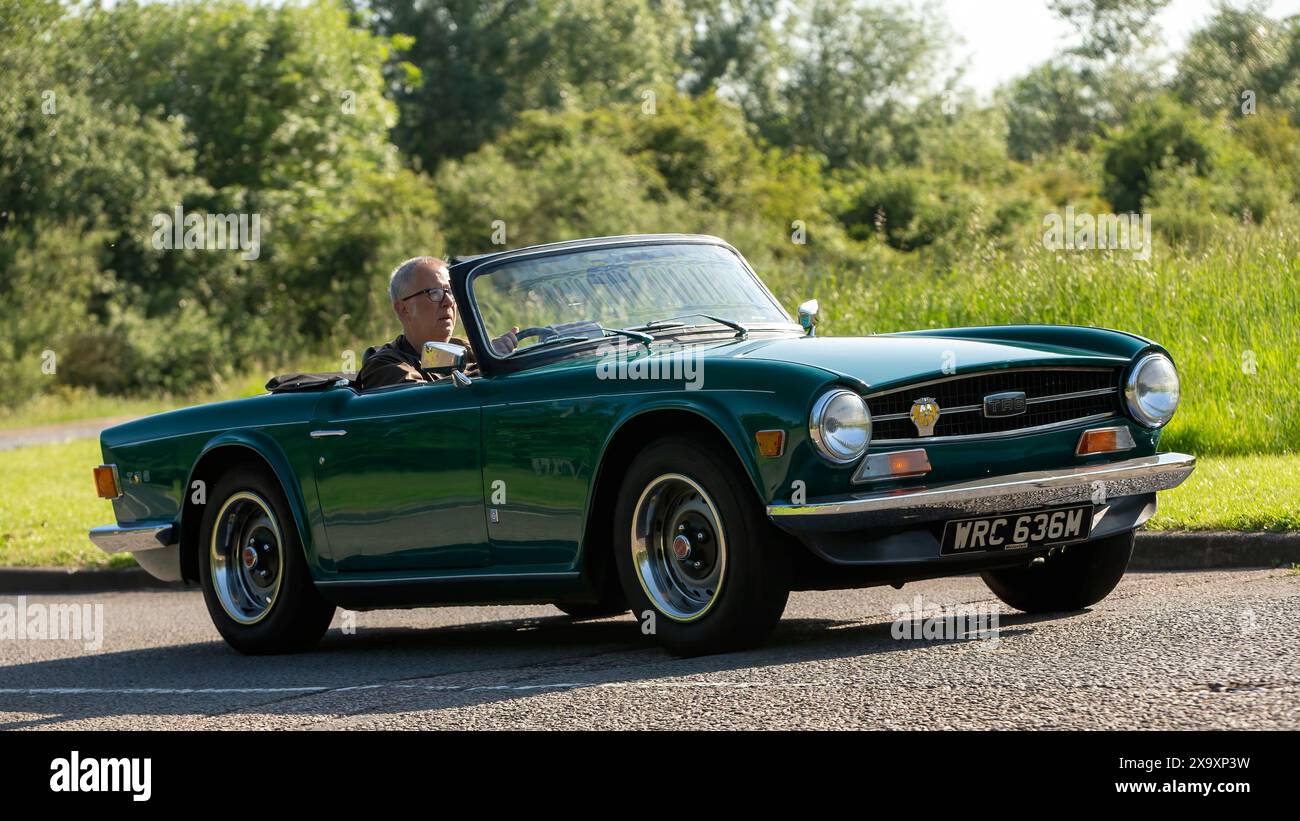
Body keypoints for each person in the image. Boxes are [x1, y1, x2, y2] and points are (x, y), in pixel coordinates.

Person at [356, 256, 518, 390]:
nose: (448, 301)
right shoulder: (384, 365)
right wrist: (486, 365)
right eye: (434, 293)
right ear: (403, 309)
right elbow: (423, 405)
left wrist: (501, 357)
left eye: (451, 292)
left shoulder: (466, 349)